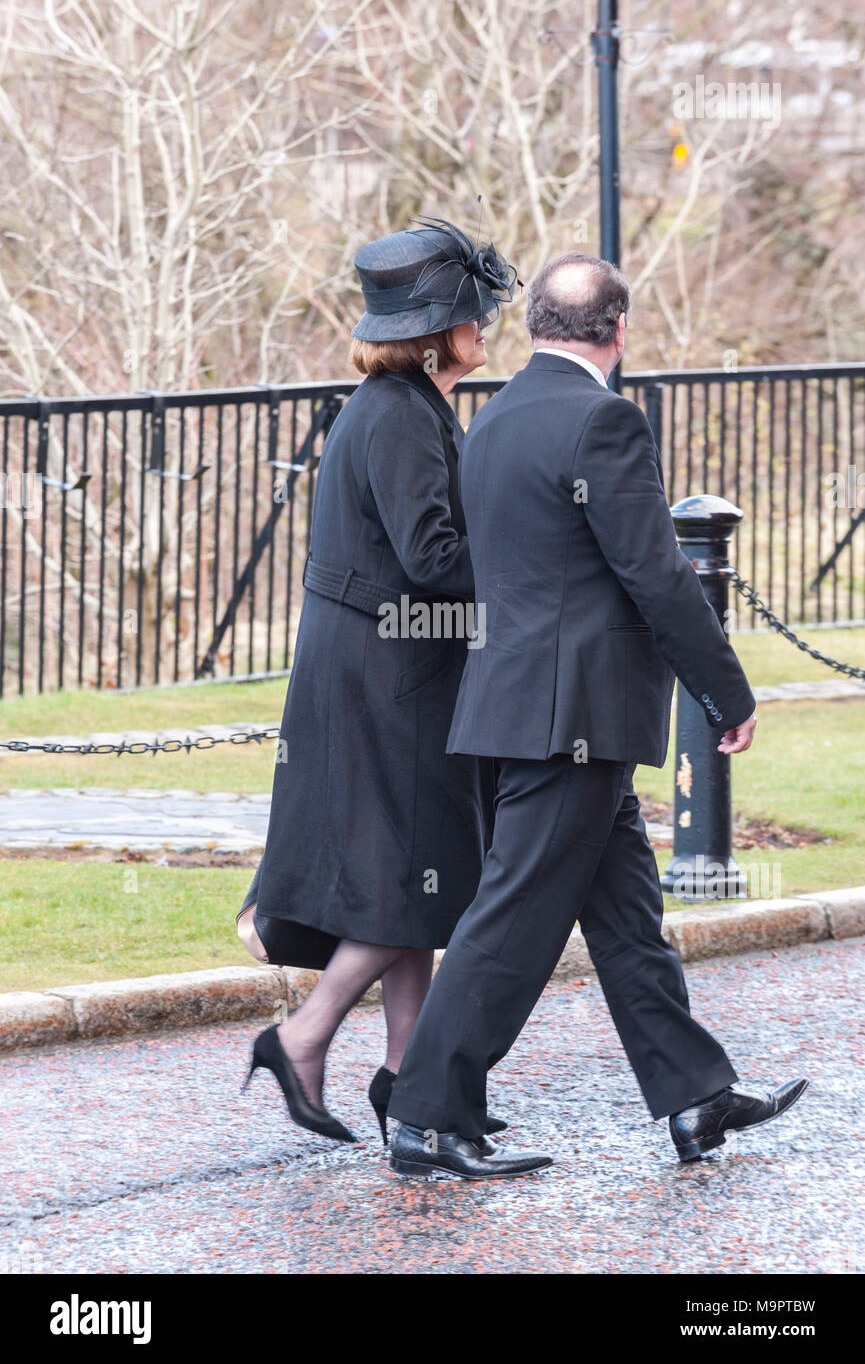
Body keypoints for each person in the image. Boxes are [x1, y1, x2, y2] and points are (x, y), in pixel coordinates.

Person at [387, 251, 808, 1179]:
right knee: (512, 921)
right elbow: (654, 571)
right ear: (618, 331)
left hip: (512, 712)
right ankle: (423, 1115)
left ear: (535, 323)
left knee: (625, 917)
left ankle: (696, 1096)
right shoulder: (603, 420)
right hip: (567, 719)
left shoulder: (490, 421)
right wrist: (725, 692)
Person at [236, 216, 518, 1146]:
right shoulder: (398, 415)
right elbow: (434, 558)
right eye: (479, 315)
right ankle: (304, 1034)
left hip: (385, 663)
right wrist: (536, 559)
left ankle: (407, 1073)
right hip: (387, 675)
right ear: (443, 334)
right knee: (412, 877)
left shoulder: (402, 406)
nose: (489, 328)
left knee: (417, 874)